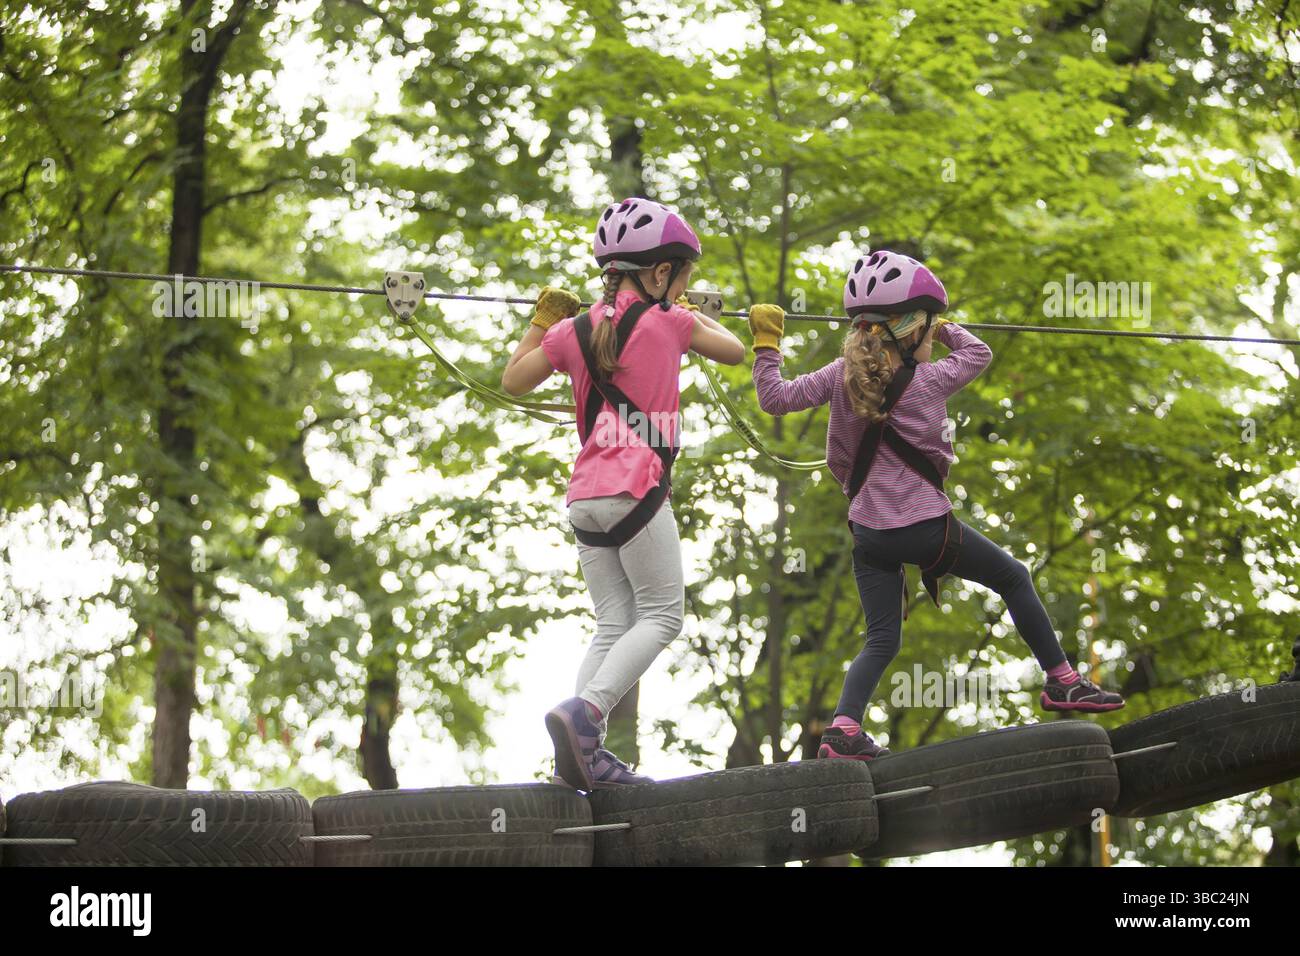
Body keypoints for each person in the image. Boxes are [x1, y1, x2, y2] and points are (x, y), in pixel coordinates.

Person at [748, 250, 1125, 761]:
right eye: (926, 328)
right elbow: (979, 353)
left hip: (869, 535)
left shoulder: (838, 375)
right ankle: (1062, 680)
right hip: (926, 526)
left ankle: (842, 730)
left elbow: (774, 398)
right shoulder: (930, 379)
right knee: (1013, 576)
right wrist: (945, 326)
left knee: (882, 638)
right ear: (911, 331)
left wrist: (768, 342)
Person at [502, 198, 745, 788]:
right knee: (663, 617)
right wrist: (692, 312)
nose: (685, 289)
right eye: (682, 276)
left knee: (614, 621)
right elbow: (736, 352)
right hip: (637, 490)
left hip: (585, 497)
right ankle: (585, 714)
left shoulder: (571, 330)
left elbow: (512, 380)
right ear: (660, 274)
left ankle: (577, 756)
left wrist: (542, 320)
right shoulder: (672, 322)